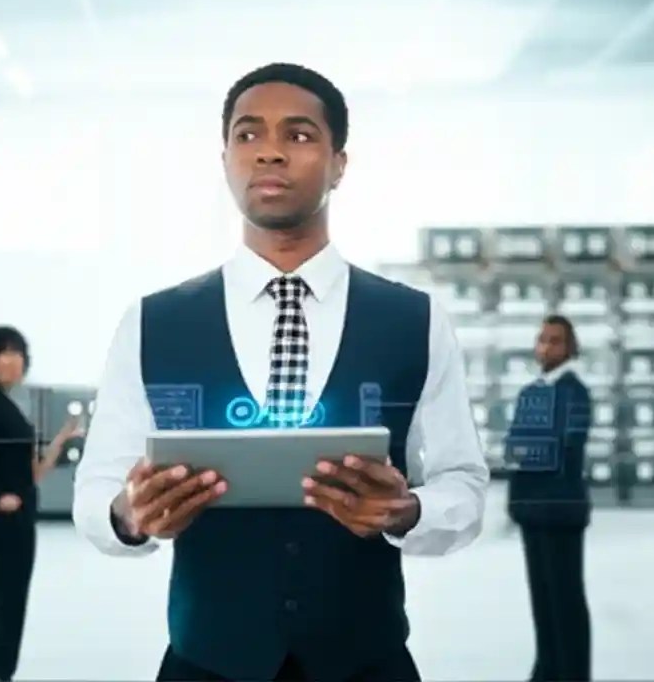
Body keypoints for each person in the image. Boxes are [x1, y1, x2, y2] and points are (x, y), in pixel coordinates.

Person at [72, 62, 490, 682]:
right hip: (206, 662)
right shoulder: (152, 321)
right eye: (248, 135)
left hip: (365, 662)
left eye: (297, 135)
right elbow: (97, 486)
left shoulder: (415, 319)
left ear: (339, 163)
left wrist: (406, 510)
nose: (269, 152)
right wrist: (130, 515)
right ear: (224, 162)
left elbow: (464, 484)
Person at [0, 325, 80, 682]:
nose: (13, 360)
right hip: (0, 520)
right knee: (6, 601)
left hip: (19, 516)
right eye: (3, 352)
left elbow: (31, 473)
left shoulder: (4, 405)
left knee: (12, 602)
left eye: (18, 352)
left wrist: (60, 441)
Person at [505, 315, 592, 682]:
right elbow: (514, 446)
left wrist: (530, 450)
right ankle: (548, 670)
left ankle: (571, 673)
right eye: (542, 339)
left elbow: (566, 449)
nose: (546, 347)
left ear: (570, 348)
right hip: (531, 509)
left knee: (565, 600)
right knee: (542, 600)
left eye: (555, 340)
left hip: (561, 510)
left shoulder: (575, 393)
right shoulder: (530, 393)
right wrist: (531, 450)